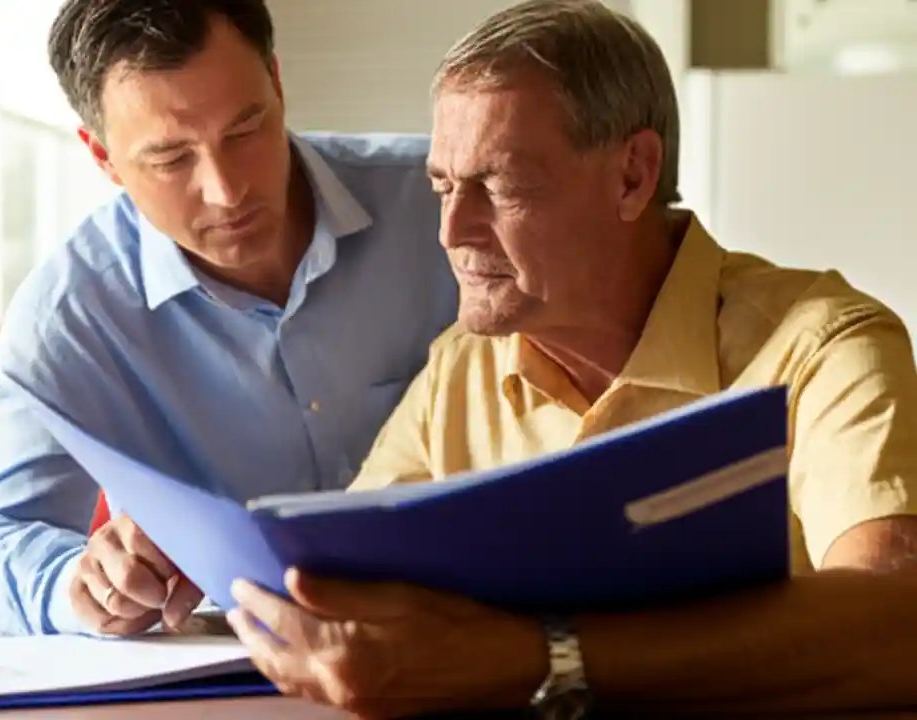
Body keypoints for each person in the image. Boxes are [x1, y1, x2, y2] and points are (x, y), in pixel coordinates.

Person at [226, 1, 917, 716]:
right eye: (442, 186)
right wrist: (182, 575)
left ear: (632, 176)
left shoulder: (824, 348)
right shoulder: (462, 369)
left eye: (499, 185)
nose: (451, 231)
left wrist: (539, 658)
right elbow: (338, 600)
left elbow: (899, 625)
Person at [0, 0, 457, 638]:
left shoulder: (448, 206)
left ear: (276, 81)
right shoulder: (68, 317)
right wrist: (76, 583)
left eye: (244, 131)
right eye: (170, 159)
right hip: (248, 682)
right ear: (102, 157)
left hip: (486, 639)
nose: (227, 190)